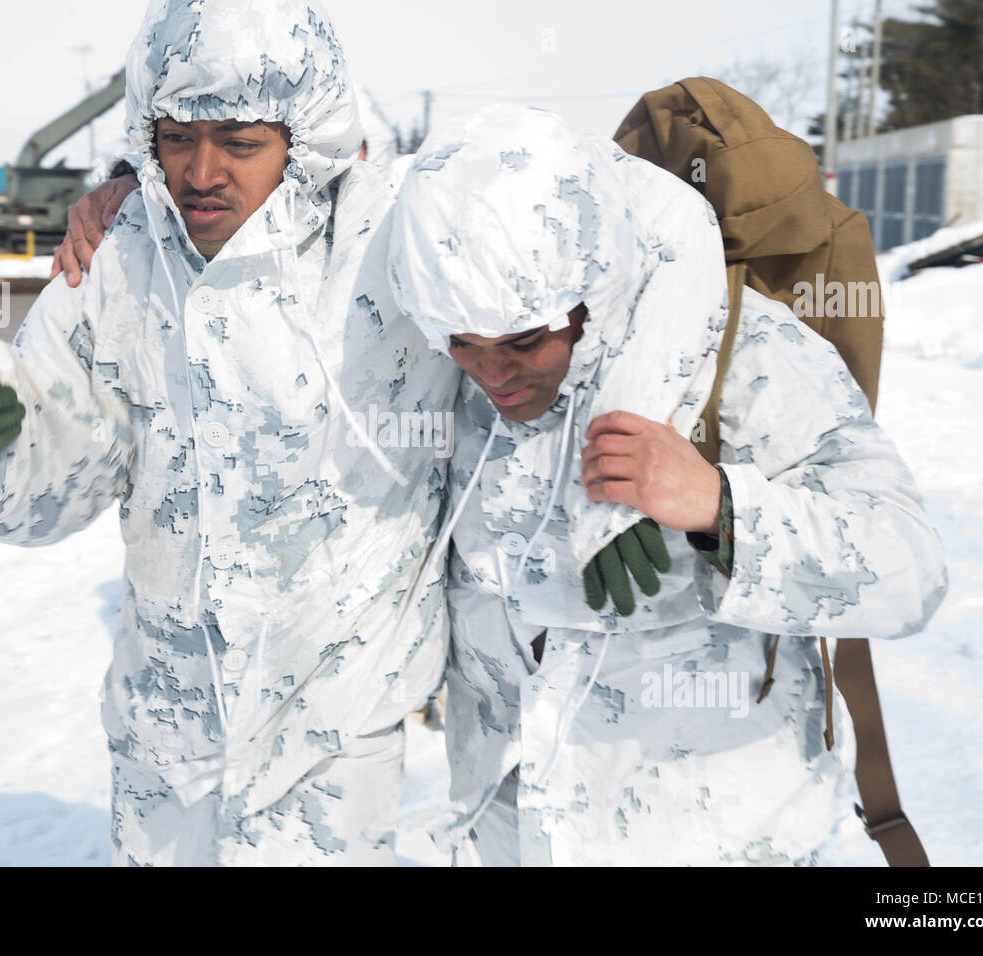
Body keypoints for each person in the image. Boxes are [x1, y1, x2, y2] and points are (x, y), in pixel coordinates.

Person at [0, 0, 460, 866]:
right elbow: (57, 486)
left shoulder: (398, 242)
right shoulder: (117, 262)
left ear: (305, 137)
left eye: (240, 142)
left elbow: (566, 267)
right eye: (176, 138)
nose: (201, 171)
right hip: (167, 734)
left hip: (332, 741)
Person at [384, 104, 949, 866]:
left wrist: (722, 507)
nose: (492, 372)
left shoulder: (747, 357)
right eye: (462, 343)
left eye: (523, 340)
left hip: (712, 837)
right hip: (513, 827)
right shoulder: (450, 368)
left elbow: (910, 571)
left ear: (595, 289)